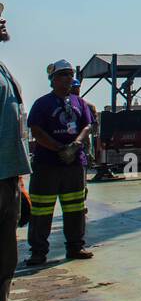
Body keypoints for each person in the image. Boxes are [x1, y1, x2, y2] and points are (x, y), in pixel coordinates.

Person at [0, 3, 44, 301]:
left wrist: (17, 181)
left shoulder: (2, 69)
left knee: (4, 265)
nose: (3, 20)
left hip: (6, 180)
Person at [26, 60, 94, 266]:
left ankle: (75, 247)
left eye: (70, 74)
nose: (68, 78)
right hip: (47, 165)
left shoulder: (79, 103)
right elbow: (36, 131)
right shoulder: (42, 104)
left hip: (73, 165)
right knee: (41, 210)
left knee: (75, 208)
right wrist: (59, 148)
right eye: (63, 74)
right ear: (53, 79)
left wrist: (75, 145)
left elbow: (88, 125)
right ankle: (38, 251)